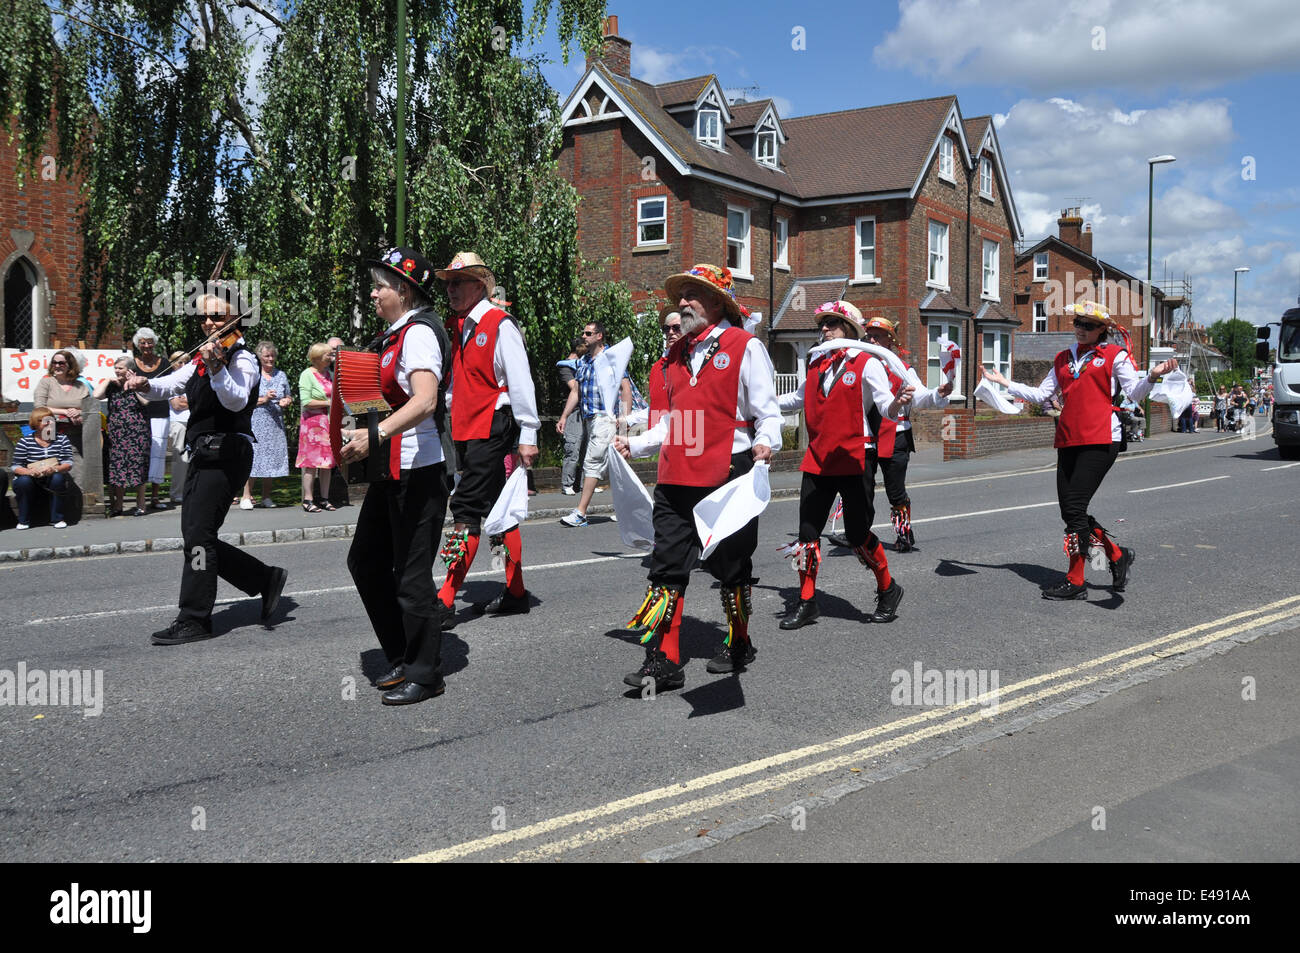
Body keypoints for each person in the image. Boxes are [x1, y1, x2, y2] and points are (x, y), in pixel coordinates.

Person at [614, 264, 782, 691]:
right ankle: (664, 660)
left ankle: (739, 640)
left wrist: (767, 441)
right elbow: (672, 421)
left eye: (693, 294)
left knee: (731, 565)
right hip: (676, 474)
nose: (682, 302)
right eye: (680, 296)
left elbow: (768, 411)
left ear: (718, 302)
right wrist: (637, 444)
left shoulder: (744, 346)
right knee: (667, 567)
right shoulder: (675, 355)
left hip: (728, 472)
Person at [981, 301, 1177, 600]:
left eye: (1088, 325)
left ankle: (1076, 580)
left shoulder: (1114, 355)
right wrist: (1004, 382)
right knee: (1071, 512)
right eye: (1077, 323)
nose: (1080, 329)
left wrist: (1152, 376)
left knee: (1074, 511)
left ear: (1102, 330)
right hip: (1068, 438)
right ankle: (1116, 554)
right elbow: (1041, 394)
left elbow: (1133, 393)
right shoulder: (1063, 358)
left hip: (1101, 439)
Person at [124, 294, 288, 645]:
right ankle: (263, 579)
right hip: (203, 453)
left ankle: (194, 617)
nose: (209, 323)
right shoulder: (202, 357)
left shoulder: (242, 358)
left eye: (218, 316)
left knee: (198, 536)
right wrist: (146, 384)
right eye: (204, 317)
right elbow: (172, 384)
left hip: (228, 453)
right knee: (198, 535)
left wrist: (216, 369)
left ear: (236, 320)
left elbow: (236, 399)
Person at [342, 247, 453, 705]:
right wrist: (359, 429)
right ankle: (404, 655)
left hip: (420, 471)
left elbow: (425, 400)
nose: (373, 293)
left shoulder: (421, 333)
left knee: (411, 577)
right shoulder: (394, 335)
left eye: (380, 286)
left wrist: (378, 434)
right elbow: (390, 400)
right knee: (365, 561)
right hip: (394, 467)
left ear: (403, 291)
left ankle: (426, 674)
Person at [775, 302, 916, 629]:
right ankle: (807, 601)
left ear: (850, 330)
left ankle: (888, 587)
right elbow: (796, 399)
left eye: (832, 324)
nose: (824, 329)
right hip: (819, 457)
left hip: (856, 456)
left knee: (856, 534)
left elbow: (886, 406)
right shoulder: (815, 362)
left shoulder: (867, 363)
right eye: (822, 323)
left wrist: (898, 403)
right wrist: (756, 402)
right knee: (807, 535)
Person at [435, 252, 540, 623]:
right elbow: (459, 383)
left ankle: (445, 599)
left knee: (465, 507)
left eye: (457, 282)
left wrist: (529, 432)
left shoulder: (499, 324)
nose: (450, 289)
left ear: (479, 286)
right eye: (448, 282)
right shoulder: (461, 326)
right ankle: (515, 591)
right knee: (499, 509)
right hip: (469, 426)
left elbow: (520, 380)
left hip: (492, 424)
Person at [861, 315, 952, 552]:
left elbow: (920, 395)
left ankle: (903, 534)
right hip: (866, 437)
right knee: (862, 490)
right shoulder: (859, 364)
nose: (871, 340)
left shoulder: (902, 368)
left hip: (896, 436)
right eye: (869, 336)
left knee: (895, 492)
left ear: (890, 340)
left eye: (877, 336)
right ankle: (860, 534)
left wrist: (937, 393)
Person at [559, 320, 634, 527]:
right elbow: (576, 391)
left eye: (588, 333)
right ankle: (629, 509)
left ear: (599, 336)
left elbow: (625, 389)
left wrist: (624, 422)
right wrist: (564, 416)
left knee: (591, 462)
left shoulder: (611, 358)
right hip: (589, 419)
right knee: (614, 465)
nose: (584, 336)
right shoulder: (583, 361)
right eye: (583, 332)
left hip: (606, 417)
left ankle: (580, 513)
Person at [94, 355, 151, 517]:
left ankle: (141, 504)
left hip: (137, 431)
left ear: (130, 370)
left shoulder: (139, 383)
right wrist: (107, 381)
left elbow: (146, 402)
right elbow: (96, 396)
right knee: (117, 468)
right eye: (116, 367)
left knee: (138, 466)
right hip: (116, 433)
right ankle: (118, 505)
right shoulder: (112, 386)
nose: (117, 371)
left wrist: (134, 386)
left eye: (120, 368)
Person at [242, 340, 291, 508]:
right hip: (257, 423)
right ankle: (246, 496)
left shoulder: (281, 375)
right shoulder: (253, 376)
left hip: (275, 424)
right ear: (259, 357)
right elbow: (244, 401)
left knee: (271, 458)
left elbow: (289, 396)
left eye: (272, 356)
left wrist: (286, 400)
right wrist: (265, 399)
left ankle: (266, 497)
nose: (270, 359)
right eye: (266, 356)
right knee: (254, 458)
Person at [32, 349, 91, 487]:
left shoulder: (80, 386)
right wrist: (65, 412)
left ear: (70, 365)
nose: (57, 366)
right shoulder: (46, 383)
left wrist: (78, 413)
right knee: (52, 473)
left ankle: (76, 505)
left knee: (77, 473)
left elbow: (89, 409)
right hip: (50, 434)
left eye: (61, 363)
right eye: (54, 362)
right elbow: (39, 407)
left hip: (76, 436)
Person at [10, 406, 75, 530]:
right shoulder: (25, 441)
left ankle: (57, 518)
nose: (48, 423)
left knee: (58, 478)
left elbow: (68, 462)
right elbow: (15, 466)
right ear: (35, 423)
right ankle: (23, 520)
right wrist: (29, 472)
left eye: (50, 419)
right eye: (42, 420)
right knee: (23, 481)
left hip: (51, 476)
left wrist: (54, 469)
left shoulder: (62, 439)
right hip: (32, 478)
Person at [131, 327, 171, 510]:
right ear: (138, 345)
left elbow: (170, 385)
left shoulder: (164, 363)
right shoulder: (133, 364)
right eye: (143, 342)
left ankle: (154, 496)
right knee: (142, 455)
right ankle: (141, 498)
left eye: (149, 342)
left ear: (154, 344)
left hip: (160, 412)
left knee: (158, 454)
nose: (146, 346)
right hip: (140, 413)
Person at [296, 342, 337, 513]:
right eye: (328, 354)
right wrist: (329, 402)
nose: (331, 357)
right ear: (318, 357)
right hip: (312, 425)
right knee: (311, 464)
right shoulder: (307, 374)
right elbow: (306, 401)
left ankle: (325, 499)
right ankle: (308, 499)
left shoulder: (330, 374)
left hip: (328, 423)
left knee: (327, 463)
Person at [555, 335, 586, 495]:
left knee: (587, 450)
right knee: (572, 448)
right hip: (573, 412)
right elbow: (575, 387)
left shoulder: (584, 364)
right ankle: (567, 484)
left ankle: (582, 485)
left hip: (587, 411)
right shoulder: (565, 366)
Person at [167, 350, 191, 504]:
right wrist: (194, 402)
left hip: (194, 421)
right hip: (178, 422)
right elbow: (176, 404)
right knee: (181, 460)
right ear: (173, 364)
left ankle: (191, 491)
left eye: (186, 362)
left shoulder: (192, 380)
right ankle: (177, 493)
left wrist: (189, 402)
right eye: (179, 362)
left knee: (194, 460)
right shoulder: (171, 380)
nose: (183, 365)